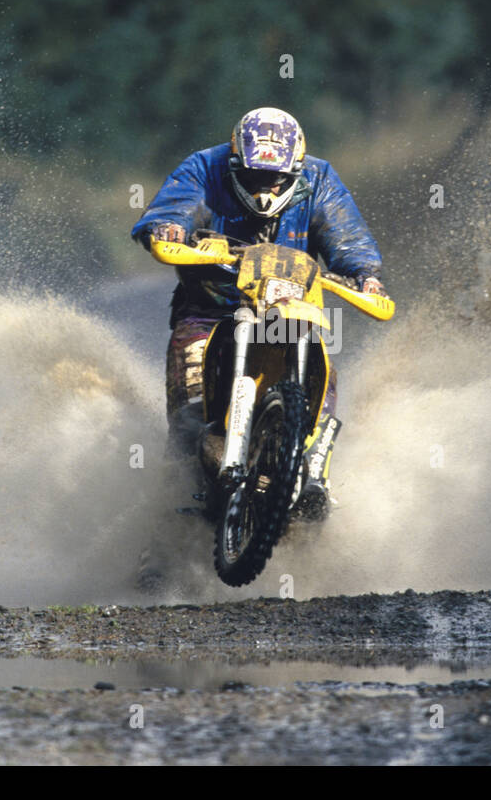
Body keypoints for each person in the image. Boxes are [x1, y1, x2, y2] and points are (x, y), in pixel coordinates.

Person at [130, 106, 385, 513]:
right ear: (234, 163)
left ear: (296, 168)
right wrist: (168, 227)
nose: (266, 186)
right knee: (191, 404)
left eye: (277, 178)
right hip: (211, 311)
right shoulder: (203, 166)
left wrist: (364, 274)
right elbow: (169, 209)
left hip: (289, 311)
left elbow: (348, 238)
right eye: (254, 176)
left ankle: (314, 474)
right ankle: (172, 513)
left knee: (324, 376)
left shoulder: (320, 178)